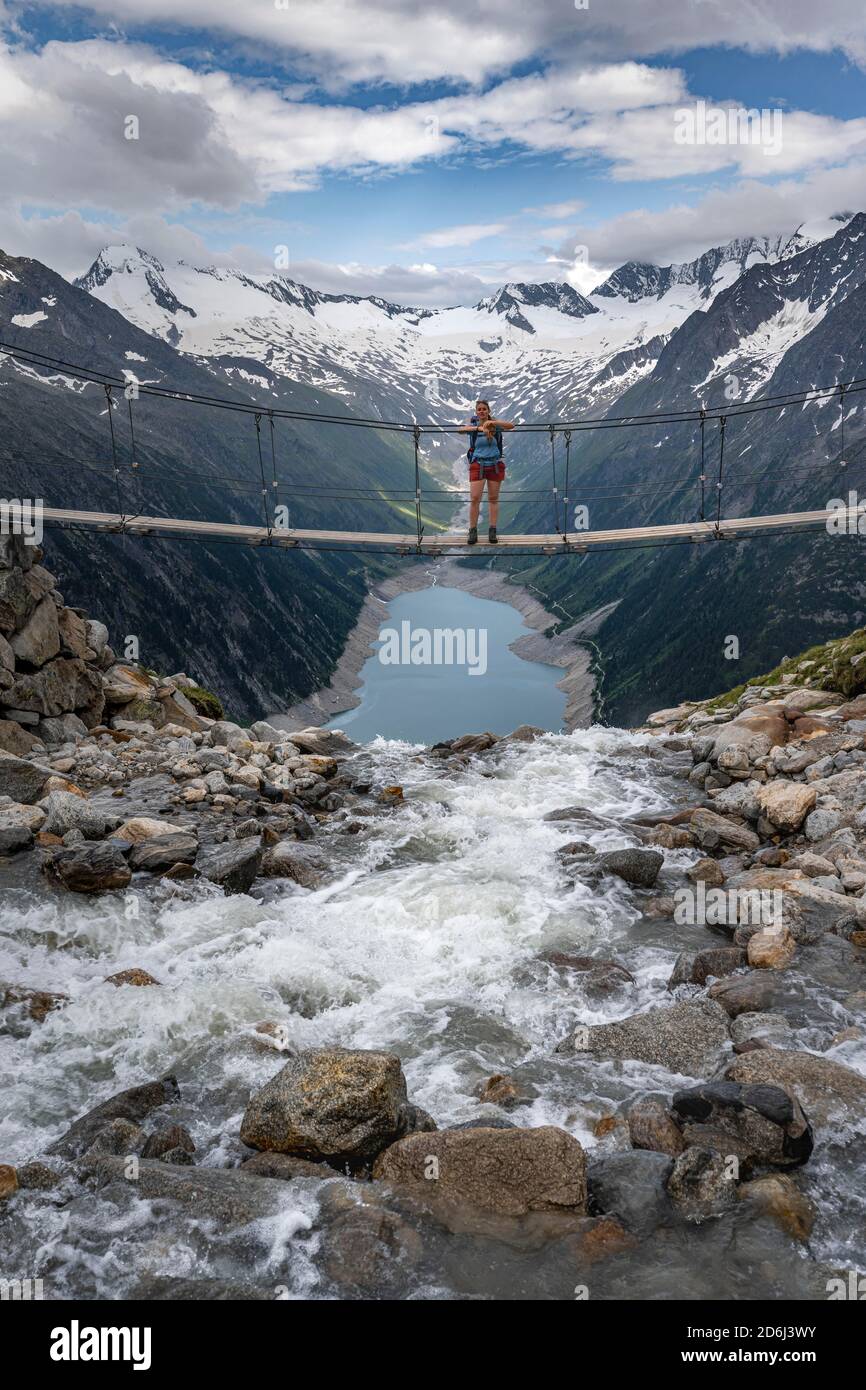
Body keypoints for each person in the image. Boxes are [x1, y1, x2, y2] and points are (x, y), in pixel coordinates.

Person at [458, 399, 514, 544]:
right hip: (478, 464)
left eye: (484, 409)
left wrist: (493, 423)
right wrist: (478, 429)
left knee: (493, 499)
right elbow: (460, 430)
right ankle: (472, 530)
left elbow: (511, 426)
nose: (482, 411)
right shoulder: (474, 427)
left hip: (494, 464)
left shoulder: (495, 426)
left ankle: (492, 530)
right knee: (475, 498)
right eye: (479, 409)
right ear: (476, 412)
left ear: (488, 411)